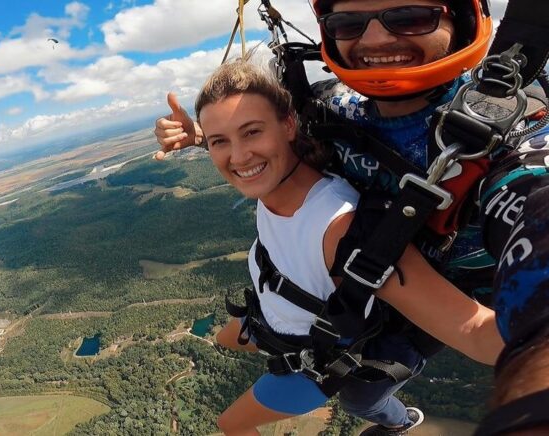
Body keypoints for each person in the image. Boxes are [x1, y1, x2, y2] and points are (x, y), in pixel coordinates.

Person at [154, 0, 549, 434]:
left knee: (361, 395)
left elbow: (533, 215)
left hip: (418, 298)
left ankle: (399, 425)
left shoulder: (510, 145)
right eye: (349, 23)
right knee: (226, 339)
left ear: (460, 17)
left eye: (410, 16)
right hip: (337, 286)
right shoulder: (332, 116)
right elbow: (268, 148)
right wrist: (205, 138)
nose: (376, 38)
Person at [190, 58, 501, 436]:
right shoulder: (278, 174)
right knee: (223, 340)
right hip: (273, 311)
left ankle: (398, 424)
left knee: (231, 425)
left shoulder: (344, 230)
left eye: (252, 132)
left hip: (314, 357)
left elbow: (476, 333)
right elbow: (245, 147)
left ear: (289, 125)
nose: (238, 157)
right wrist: (195, 134)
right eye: (218, 141)